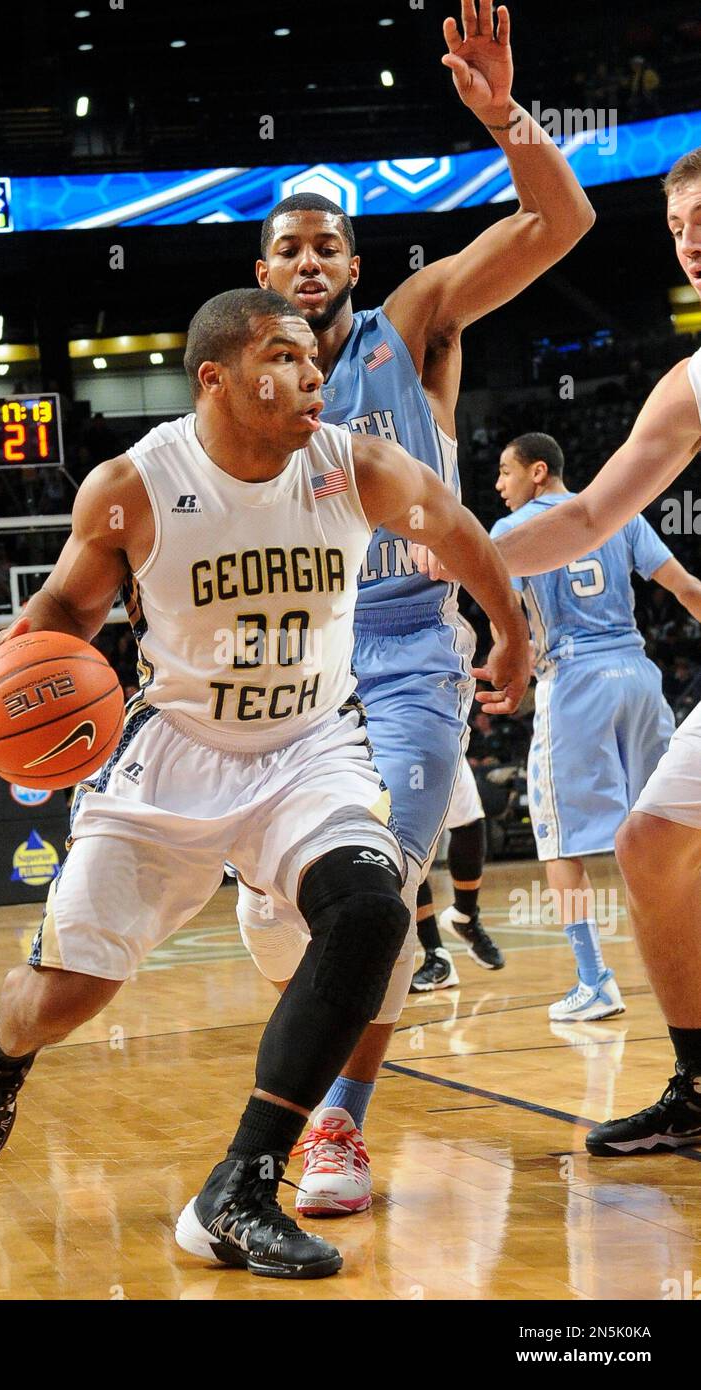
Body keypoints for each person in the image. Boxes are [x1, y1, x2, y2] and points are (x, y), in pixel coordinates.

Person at [0, 287, 529, 1280]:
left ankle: (242, 1181)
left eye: (315, 361)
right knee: (65, 993)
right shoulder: (133, 482)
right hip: (172, 756)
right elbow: (67, 606)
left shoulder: (360, 467)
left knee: (370, 909)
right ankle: (1, 1054)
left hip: (309, 746)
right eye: (282, 357)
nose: (311, 376)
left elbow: (460, 531)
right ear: (214, 376)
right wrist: (10, 650)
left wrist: (510, 630)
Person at [238, 0, 594, 1214]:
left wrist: (500, 115)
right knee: (284, 920)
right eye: (287, 249)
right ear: (263, 275)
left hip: (401, 655)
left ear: (351, 260)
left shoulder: (413, 323)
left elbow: (562, 220)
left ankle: (336, 1124)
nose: (309, 262)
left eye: (327, 245)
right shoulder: (240, 400)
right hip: (290, 663)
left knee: (377, 893)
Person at [484, 145, 701, 1152]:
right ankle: (697, 1089)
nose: (689, 240)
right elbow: (578, 527)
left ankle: (588, 978)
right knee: (648, 843)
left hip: (585, 677)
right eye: (674, 226)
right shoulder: (687, 384)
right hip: (622, 672)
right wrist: (448, 556)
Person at [490, 430, 701, 1021]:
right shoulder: (619, 514)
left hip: (576, 681)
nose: (498, 485)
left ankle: (593, 980)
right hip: (639, 676)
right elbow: (685, 588)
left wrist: (505, 668)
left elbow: (511, 627)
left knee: (560, 840)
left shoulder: (510, 534)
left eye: (505, 473)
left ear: (536, 472)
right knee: (679, 829)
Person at [411, 756, 501, 989]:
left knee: (469, 823)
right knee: (406, 841)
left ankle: (464, 914)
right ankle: (436, 954)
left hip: (446, 732)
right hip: (394, 737)